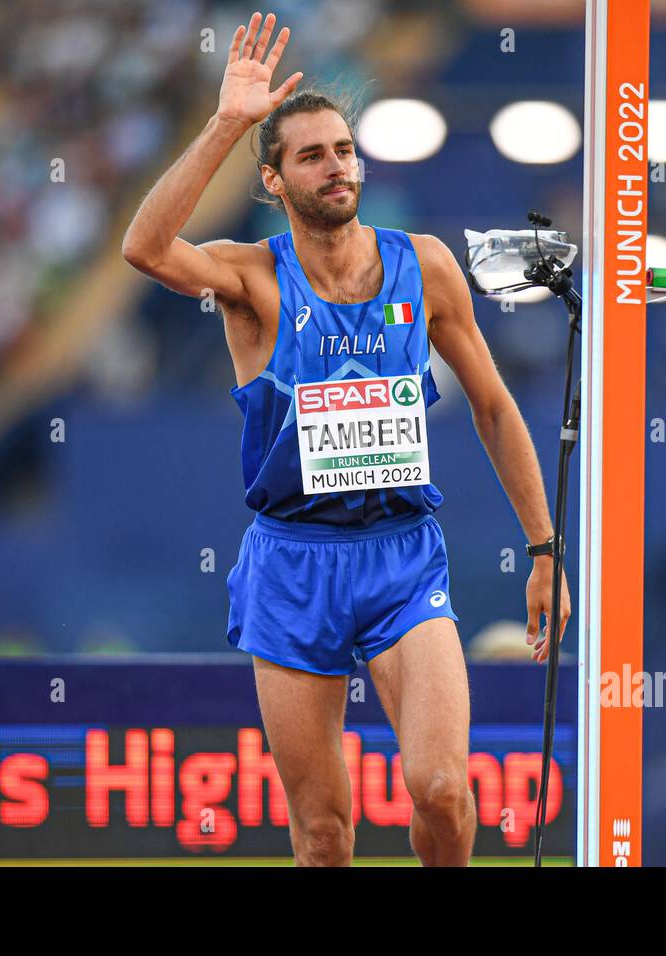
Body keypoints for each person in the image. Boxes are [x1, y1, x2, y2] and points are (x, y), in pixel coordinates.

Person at [122, 12, 569, 866]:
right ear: (274, 181)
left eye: (345, 149)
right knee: (325, 833)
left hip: (403, 555)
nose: (337, 166)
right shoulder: (252, 279)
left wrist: (544, 547)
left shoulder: (425, 264)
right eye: (312, 155)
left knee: (442, 790)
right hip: (292, 565)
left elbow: (496, 409)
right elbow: (144, 247)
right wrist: (226, 121)